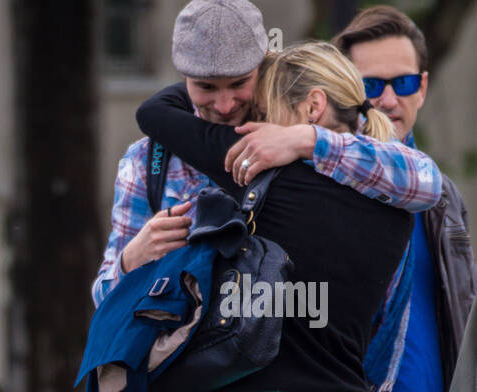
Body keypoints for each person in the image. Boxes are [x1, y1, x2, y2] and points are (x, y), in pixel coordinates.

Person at [94, 0, 441, 310]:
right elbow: (104, 299)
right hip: (183, 376)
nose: (225, 104)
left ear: (262, 65)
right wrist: (132, 258)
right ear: (184, 78)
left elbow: (425, 182)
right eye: (206, 87)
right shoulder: (146, 161)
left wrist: (306, 140)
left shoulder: (311, 123)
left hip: (322, 366)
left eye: (238, 83)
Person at [133, 42, 417, 392]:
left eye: (265, 113)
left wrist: (205, 76)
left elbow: (154, 113)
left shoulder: (263, 166)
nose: (253, 126)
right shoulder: (398, 207)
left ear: (312, 107)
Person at [331, 7, 476, 392]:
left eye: (405, 82)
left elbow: (461, 312)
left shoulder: (442, 195)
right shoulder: (318, 182)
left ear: (423, 87)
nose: (389, 100)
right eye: (371, 84)